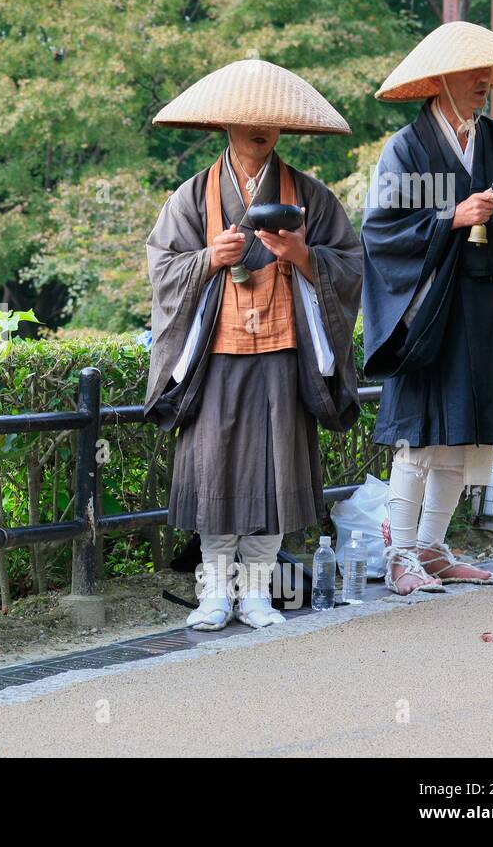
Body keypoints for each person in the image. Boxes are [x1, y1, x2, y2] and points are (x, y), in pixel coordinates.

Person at [144, 60, 363, 630]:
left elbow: (351, 263)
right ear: (226, 126)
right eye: (248, 120)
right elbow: (162, 265)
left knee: (275, 474)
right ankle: (215, 593)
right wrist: (207, 259)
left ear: (283, 128)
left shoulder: (309, 197)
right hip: (217, 354)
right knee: (215, 476)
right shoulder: (194, 197)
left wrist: (303, 256)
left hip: (285, 354)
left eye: (271, 121)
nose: (260, 128)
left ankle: (259, 594)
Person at [363, 21, 493, 595]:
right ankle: (400, 554)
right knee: (421, 432)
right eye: (474, 74)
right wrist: (451, 217)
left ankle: (432, 548)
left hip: (488, 303)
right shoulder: (407, 148)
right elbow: (381, 232)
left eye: (488, 75)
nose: (485, 83)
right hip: (432, 310)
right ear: (440, 80)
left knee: (466, 433)